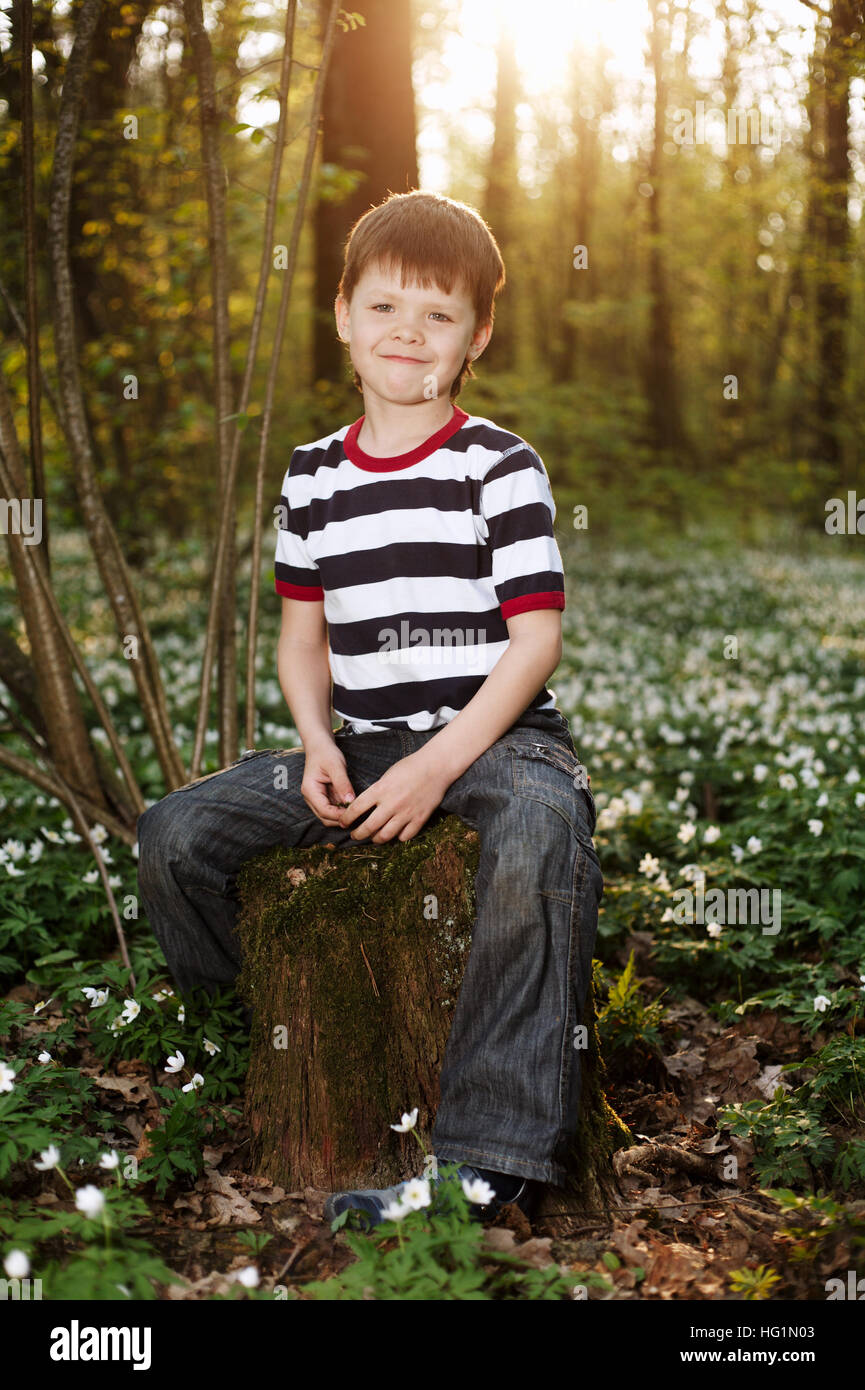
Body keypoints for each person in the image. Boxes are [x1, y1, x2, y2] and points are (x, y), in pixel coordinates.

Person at [136, 190, 603, 1230]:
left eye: (438, 314)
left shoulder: (498, 466)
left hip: (499, 740)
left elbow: (536, 643)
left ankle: (488, 1163)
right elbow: (303, 638)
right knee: (176, 833)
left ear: (477, 332)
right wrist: (313, 742)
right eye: (384, 305)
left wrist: (439, 767)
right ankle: (247, 1047)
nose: (407, 331)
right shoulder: (311, 477)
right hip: (364, 737)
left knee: (538, 833)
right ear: (341, 313)